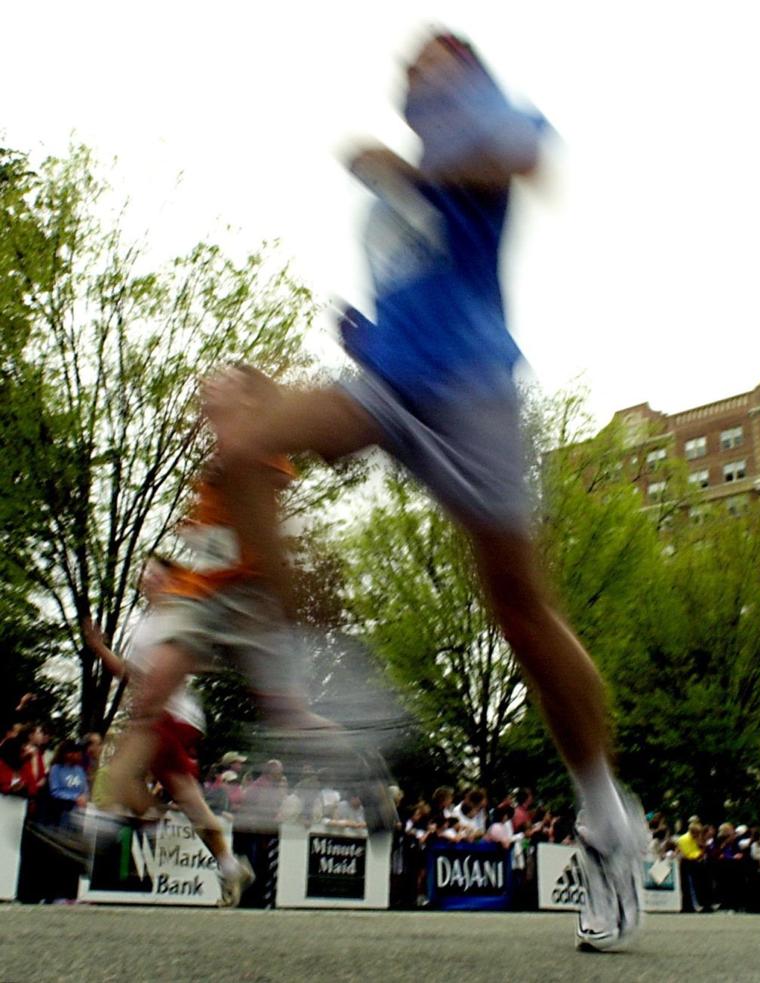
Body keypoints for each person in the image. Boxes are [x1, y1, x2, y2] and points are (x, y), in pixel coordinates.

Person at [199, 30, 646, 951]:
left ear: (467, 75)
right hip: (388, 389)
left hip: (475, 395)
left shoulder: (490, 120)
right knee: (241, 441)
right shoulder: (402, 181)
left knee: (520, 610)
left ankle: (606, 815)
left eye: (435, 69)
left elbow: (519, 161)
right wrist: (367, 334)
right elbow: (418, 283)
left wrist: (407, 162)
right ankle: (305, 678)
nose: (417, 83)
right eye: (409, 77)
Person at [82, 556, 255, 907]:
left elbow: (193, 657)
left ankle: (114, 819)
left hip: (169, 718)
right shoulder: (149, 624)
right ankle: (230, 866)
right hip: (172, 719)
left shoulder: (176, 615)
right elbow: (129, 675)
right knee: (191, 803)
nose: (146, 577)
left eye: (154, 571)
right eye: (143, 572)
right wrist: (100, 648)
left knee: (125, 767)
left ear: (171, 580)